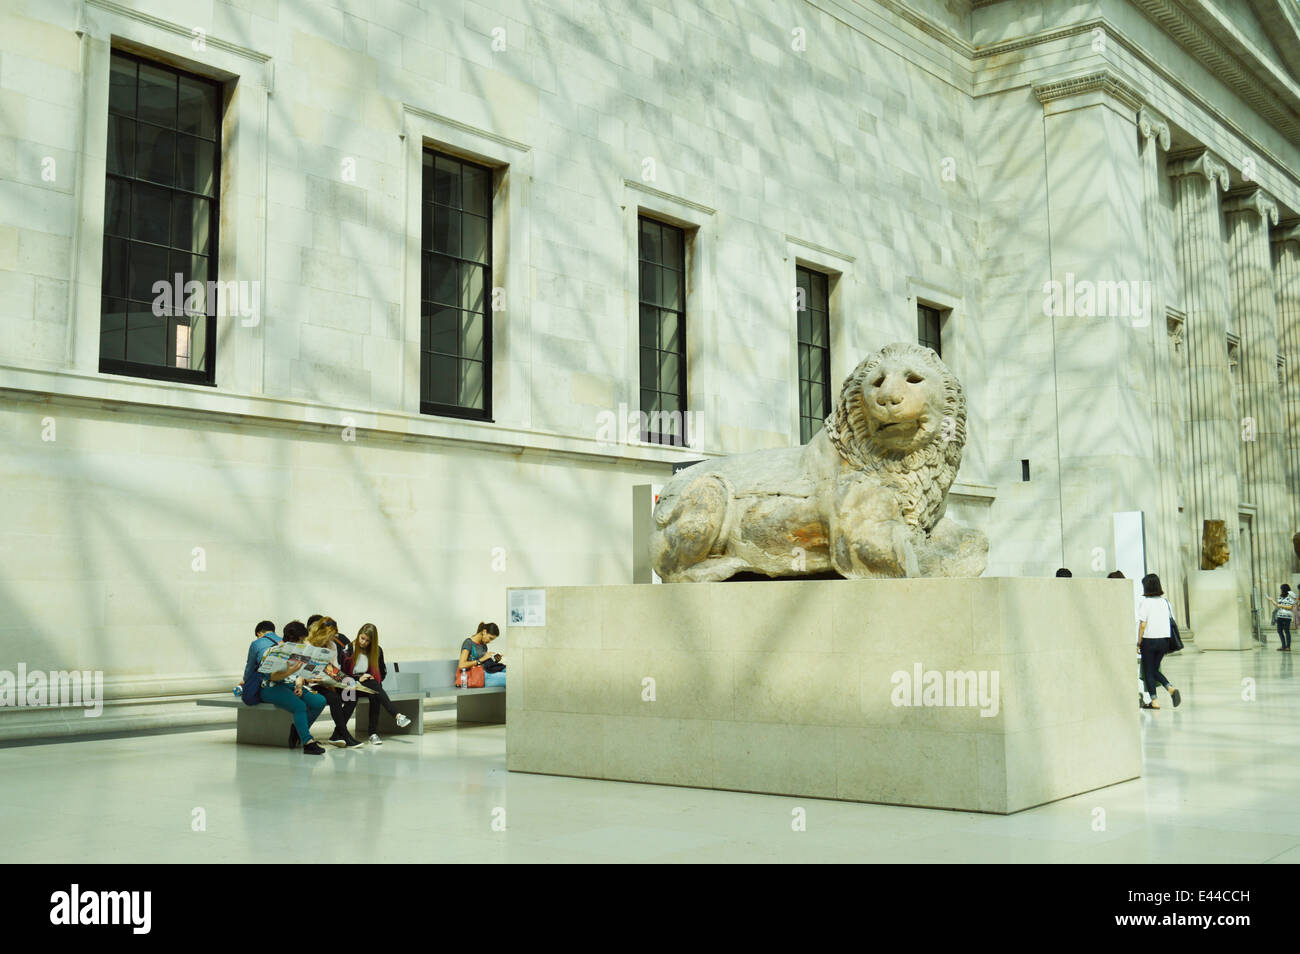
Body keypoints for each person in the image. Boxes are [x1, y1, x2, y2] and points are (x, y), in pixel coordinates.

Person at [259, 620, 328, 754]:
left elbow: (300, 673)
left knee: (319, 701)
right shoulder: (274, 652)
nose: (302, 643)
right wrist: (289, 672)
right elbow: (272, 677)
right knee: (299, 706)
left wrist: (299, 685)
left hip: (290, 685)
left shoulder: (299, 652)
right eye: (301, 640)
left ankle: (298, 729)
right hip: (270, 688)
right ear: (292, 639)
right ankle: (308, 742)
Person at [344, 623, 411, 744]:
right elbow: (342, 673)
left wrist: (370, 678)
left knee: (375, 693)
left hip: (368, 684)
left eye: (367, 640)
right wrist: (358, 679)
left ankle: (373, 734)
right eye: (362, 638)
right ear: (358, 635)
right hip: (349, 684)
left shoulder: (377, 651)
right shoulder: (349, 648)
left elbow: (382, 672)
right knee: (374, 688)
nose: (363, 642)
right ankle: (397, 716)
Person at [303, 616, 363, 747]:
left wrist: (344, 681)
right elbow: (302, 671)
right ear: (321, 634)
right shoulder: (307, 645)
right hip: (311, 684)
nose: (332, 639)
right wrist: (311, 678)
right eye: (330, 636)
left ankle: (338, 734)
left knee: (352, 695)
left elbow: (335, 669)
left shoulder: (332, 646)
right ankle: (345, 735)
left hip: (328, 682)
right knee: (334, 699)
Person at [1137, 573, 1182, 710]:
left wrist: (1138, 642)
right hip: (1164, 641)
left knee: (1149, 671)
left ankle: (1155, 701)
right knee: (1154, 669)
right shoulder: (1166, 602)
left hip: (1149, 640)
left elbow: (1143, 624)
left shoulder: (1145, 603)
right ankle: (1170, 688)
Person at [458, 622, 506, 688]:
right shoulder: (468, 643)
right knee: (510, 678)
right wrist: (482, 659)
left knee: (512, 671)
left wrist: (495, 660)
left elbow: (484, 663)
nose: (490, 641)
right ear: (484, 632)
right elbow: (461, 665)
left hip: (487, 672)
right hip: (480, 676)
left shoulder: (484, 645)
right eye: (490, 638)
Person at [1266, 584, 1295, 651]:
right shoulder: (1280, 597)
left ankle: (1288, 646)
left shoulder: (1290, 596)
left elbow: (1291, 607)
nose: (1281, 590)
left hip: (1287, 616)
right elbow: (1277, 605)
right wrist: (1271, 600)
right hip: (1280, 616)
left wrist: (1281, 606)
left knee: (1287, 631)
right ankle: (1283, 646)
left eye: (1281, 589)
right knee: (1279, 631)